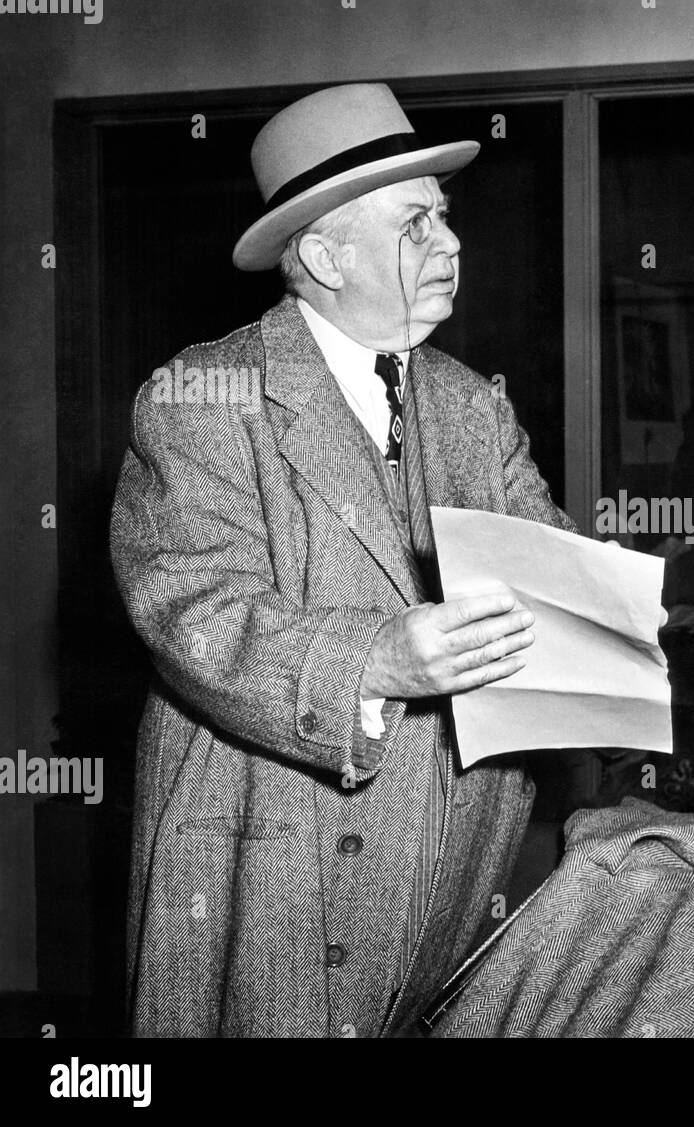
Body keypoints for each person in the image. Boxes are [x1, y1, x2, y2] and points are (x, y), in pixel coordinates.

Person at [110, 83, 575, 1036]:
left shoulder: (469, 403)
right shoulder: (202, 395)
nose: (451, 247)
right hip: (269, 865)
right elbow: (196, 612)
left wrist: (603, 606)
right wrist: (377, 660)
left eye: (444, 220)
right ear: (323, 255)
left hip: (444, 873)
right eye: (416, 227)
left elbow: (546, 564)